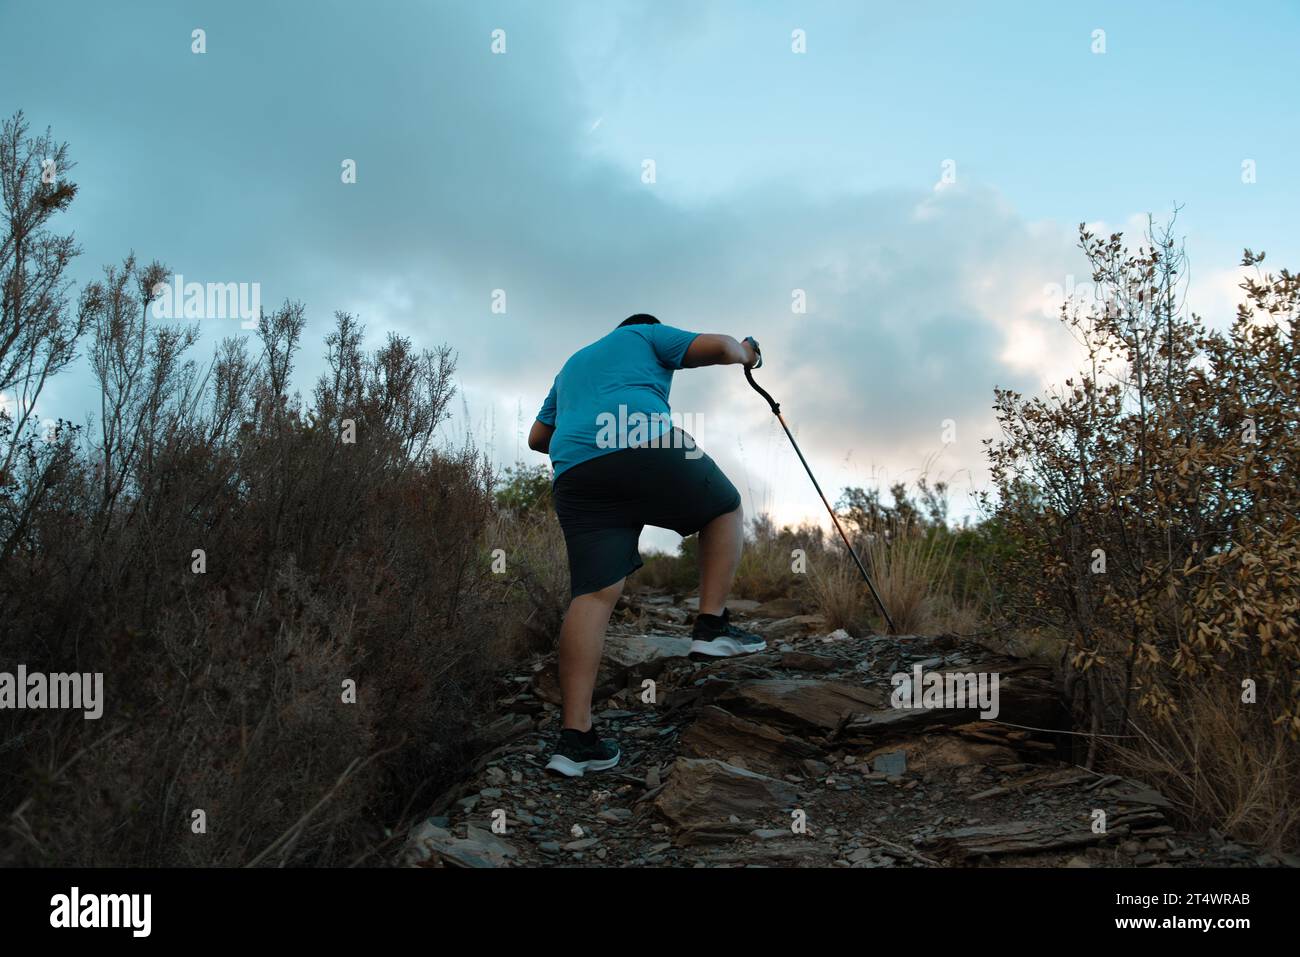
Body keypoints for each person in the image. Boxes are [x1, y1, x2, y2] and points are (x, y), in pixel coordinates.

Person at [528, 313, 767, 777]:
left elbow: (538, 438)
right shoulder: (644, 333)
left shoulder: (572, 364)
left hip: (575, 471)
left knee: (593, 595)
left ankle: (575, 740)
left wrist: (589, 436)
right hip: (643, 439)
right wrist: (748, 350)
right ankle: (711, 626)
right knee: (725, 509)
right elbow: (718, 348)